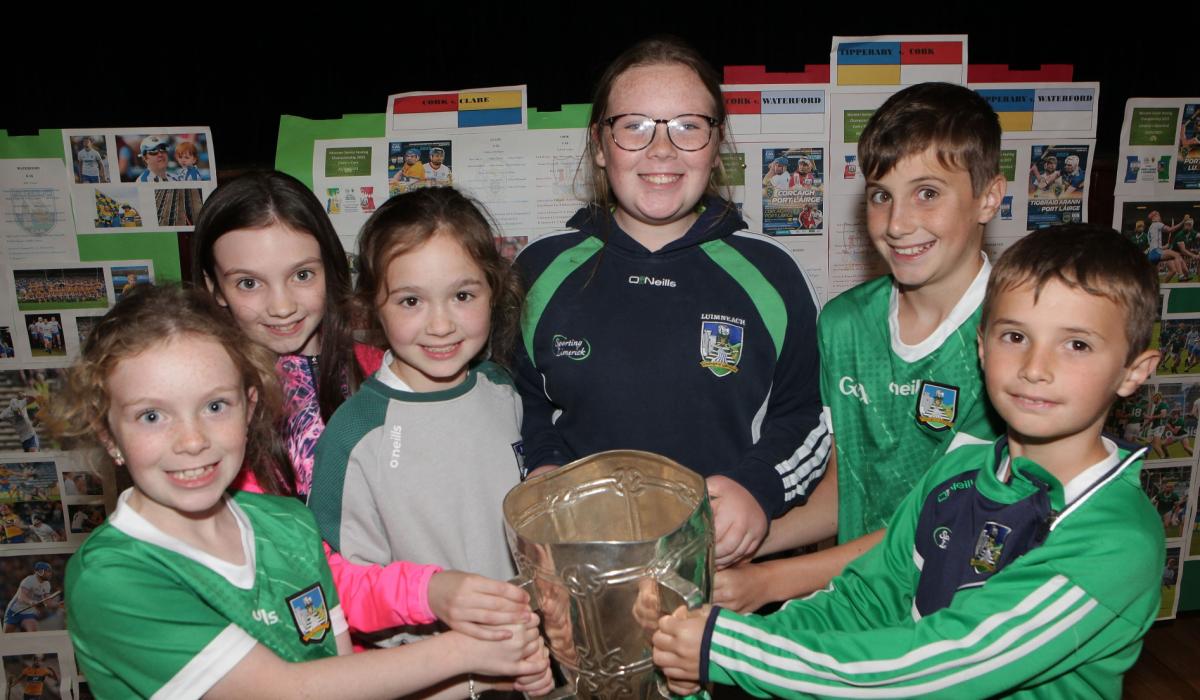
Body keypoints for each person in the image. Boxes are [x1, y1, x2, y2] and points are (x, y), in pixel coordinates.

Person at [653, 223, 1166, 698]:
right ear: (982, 347)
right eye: (1014, 336)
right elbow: (862, 601)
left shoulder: (1114, 539)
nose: (1034, 368)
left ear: (1133, 371)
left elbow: (945, 662)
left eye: (1076, 344)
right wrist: (719, 641)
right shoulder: (955, 475)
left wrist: (726, 648)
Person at [58, 285, 550, 699]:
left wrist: (486, 676)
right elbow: (285, 691)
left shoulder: (286, 525)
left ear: (251, 408)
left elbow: (339, 677)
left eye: (215, 406)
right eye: (151, 416)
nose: (192, 441)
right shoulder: (113, 577)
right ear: (108, 435)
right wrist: (467, 651)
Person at [514, 36, 828, 568]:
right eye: (634, 125)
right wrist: (542, 469)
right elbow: (519, 405)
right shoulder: (537, 273)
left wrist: (758, 488)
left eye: (687, 126)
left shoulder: (773, 275)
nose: (662, 150)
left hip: (728, 576)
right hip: (585, 575)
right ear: (600, 143)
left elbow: (807, 417)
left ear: (715, 142)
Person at [193, 171, 534, 646]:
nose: (282, 305)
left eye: (302, 274)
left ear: (333, 272)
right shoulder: (211, 421)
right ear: (215, 289)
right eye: (249, 282)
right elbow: (290, 579)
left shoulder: (397, 365)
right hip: (323, 656)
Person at [715, 82, 1008, 610]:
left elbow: (944, 527)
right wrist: (744, 539)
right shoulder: (844, 324)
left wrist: (770, 581)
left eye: (928, 193)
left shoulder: (1014, 339)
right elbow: (845, 488)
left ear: (988, 196)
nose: (897, 224)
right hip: (855, 609)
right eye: (881, 195)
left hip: (957, 623)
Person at [309, 187, 526, 648]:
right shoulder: (353, 434)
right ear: (373, 306)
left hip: (523, 655)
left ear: (494, 291)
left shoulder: (503, 391)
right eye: (411, 301)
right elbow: (340, 588)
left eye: (463, 295)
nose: (441, 324)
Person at [4, 561, 56, 632]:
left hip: (28, 613)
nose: (50, 574)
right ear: (40, 572)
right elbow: (21, 596)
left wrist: (58, 604)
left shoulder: (47, 584)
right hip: (14, 611)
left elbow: (47, 602)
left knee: (33, 630)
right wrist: (31, 602)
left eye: (50, 571)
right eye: (48, 571)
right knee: (6, 637)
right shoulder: (29, 580)